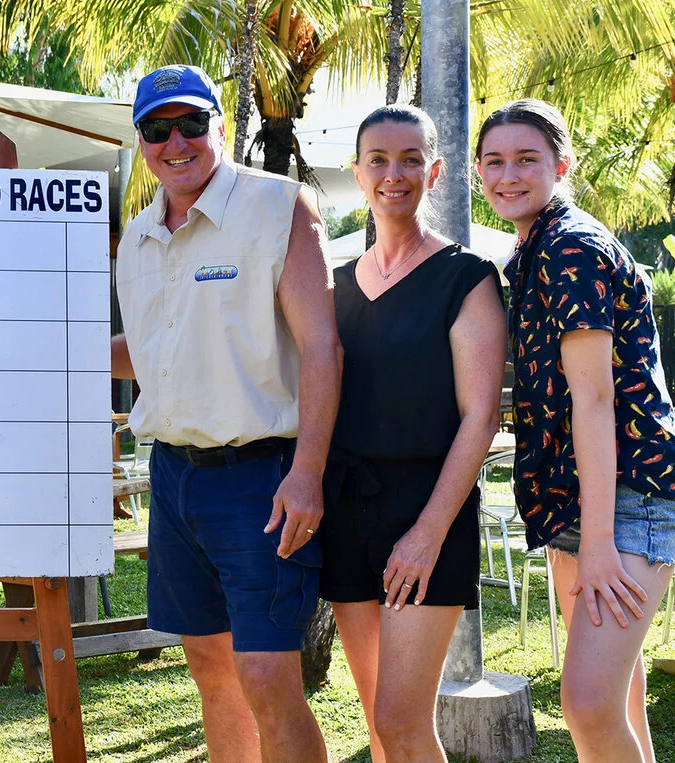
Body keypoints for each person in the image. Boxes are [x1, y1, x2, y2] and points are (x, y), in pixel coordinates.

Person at [111, 64, 341, 762]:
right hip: (174, 478)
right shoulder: (137, 235)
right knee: (211, 668)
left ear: (220, 125)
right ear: (143, 140)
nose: (175, 142)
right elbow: (152, 351)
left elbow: (323, 348)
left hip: (261, 480)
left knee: (269, 674)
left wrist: (307, 473)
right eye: (157, 128)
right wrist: (52, 351)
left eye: (190, 124)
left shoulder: (281, 205)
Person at [476, 99, 675, 763]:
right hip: (578, 492)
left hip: (624, 497)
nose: (509, 174)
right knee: (615, 697)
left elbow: (594, 399)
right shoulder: (535, 248)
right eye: (495, 160)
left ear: (562, 165)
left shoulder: (572, 249)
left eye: (527, 158)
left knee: (587, 705)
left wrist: (596, 543)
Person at [319, 105, 506, 762]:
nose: (393, 173)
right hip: (346, 508)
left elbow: (481, 416)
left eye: (409, 158)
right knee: (377, 719)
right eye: (378, 159)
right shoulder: (333, 285)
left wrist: (426, 534)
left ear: (436, 169)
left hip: (430, 510)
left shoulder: (467, 278)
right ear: (358, 171)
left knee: (402, 719)